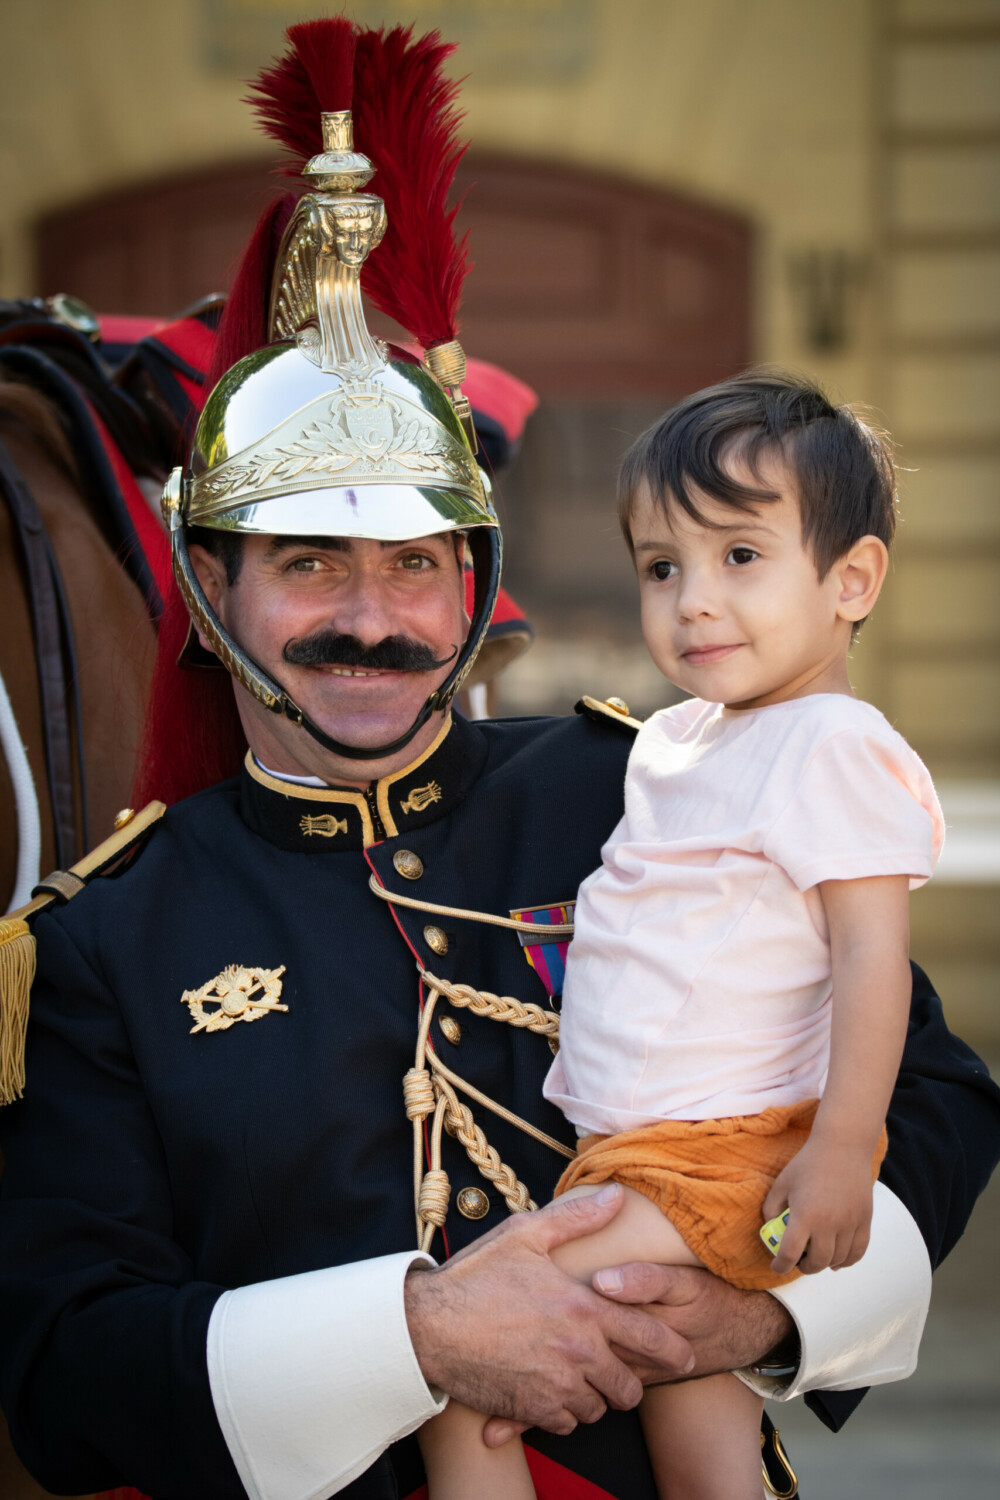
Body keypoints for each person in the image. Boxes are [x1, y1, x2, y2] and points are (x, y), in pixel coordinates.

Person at [0, 21, 997, 1500]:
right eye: (307, 564)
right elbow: (62, 1363)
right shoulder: (103, 940)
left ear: (477, 583)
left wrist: (758, 1305)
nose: (370, 620)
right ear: (209, 593)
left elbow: (931, 1094)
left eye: (416, 565)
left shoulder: (645, 785)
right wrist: (417, 1338)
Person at [417, 373, 945, 1500]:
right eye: (663, 567)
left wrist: (846, 1146)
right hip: (634, 1155)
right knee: (698, 1442)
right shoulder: (675, 744)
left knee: (470, 1379)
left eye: (739, 557)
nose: (693, 601)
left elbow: (869, 958)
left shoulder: (832, 744)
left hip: (719, 1156)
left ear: (851, 579)